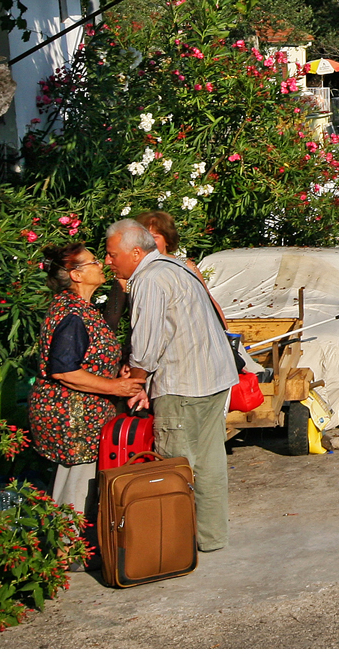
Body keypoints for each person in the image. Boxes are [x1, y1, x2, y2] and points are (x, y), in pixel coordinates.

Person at [103, 218, 237, 552]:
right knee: (209, 462)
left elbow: (147, 343)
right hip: (213, 379)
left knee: (175, 466)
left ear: (135, 252)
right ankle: (211, 538)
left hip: (182, 384)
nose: (108, 261)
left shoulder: (150, 278)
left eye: (111, 254)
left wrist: (135, 381)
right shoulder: (179, 267)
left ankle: (174, 545)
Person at [28, 242, 147, 558]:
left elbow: (94, 349)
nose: (100, 265)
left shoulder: (78, 309)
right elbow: (65, 370)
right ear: (76, 275)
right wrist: (114, 388)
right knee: (78, 482)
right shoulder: (72, 315)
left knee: (74, 480)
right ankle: (70, 553)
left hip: (79, 411)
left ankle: (66, 549)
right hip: (71, 413)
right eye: (93, 262)